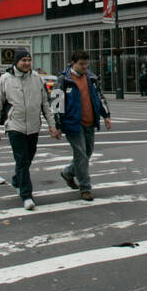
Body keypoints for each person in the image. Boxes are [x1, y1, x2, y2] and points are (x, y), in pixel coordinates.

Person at [0, 48, 60, 211]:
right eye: (24, 60)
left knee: (28, 159)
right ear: (16, 62)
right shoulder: (5, 80)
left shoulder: (37, 79)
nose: (27, 63)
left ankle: (17, 180)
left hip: (34, 127)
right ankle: (27, 195)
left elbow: (45, 104)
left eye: (29, 60)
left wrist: (52, 125)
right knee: (21, 160)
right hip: (15, 126)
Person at [53, 50, 112, 202]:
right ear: (73, 63)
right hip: (73, 123)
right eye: (81, 64)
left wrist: (106, 116)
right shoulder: (63, 79)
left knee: (87, 152)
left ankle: (68, 172)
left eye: (86, 63)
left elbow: (99, 97)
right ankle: (85, 188)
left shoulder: (91, 78)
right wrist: (57, 124)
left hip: (89, 122)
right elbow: (56, 103)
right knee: (81, 155)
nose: (84, 66)